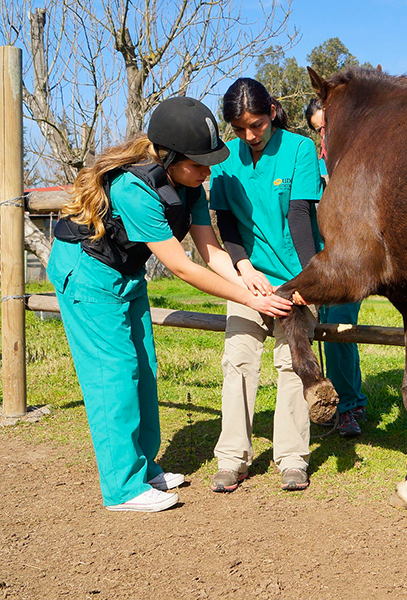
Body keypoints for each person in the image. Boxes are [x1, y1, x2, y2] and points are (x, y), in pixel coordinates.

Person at [49, 97, 293, 513]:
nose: (207, 171)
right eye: (198, 163)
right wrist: (251, 299)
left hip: (126, 275)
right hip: (88, 276)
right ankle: (122, 488)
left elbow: (210, 250)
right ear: (169, 157)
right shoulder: (134, 188)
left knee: (144, 368)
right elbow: (181, 268)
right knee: (114, 374)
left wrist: (248, 276)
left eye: (208, 162)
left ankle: (143, 468)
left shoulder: (190, 183)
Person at [208, 78, 323, 493]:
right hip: (248, 279)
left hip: (297, 278)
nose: (249, 136)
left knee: (291, 362)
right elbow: (227, 224)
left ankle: (293, 458)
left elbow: (299, 219)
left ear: (272, 111)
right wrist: (242, 269)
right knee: (237, 358)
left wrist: (308, 280)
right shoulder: (224, 160)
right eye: (239, 129)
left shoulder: (299, 149)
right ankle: (232, 458)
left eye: (255, 125)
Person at [304, 97, 368, 438]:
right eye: (319, 130)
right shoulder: (312, 164)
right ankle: (353, 400)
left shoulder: (360, 161)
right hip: (318, 258)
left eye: (327, 126)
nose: (324, 135)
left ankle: (345, 407)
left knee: (337, 328)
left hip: (349, 261)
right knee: (334, 331)